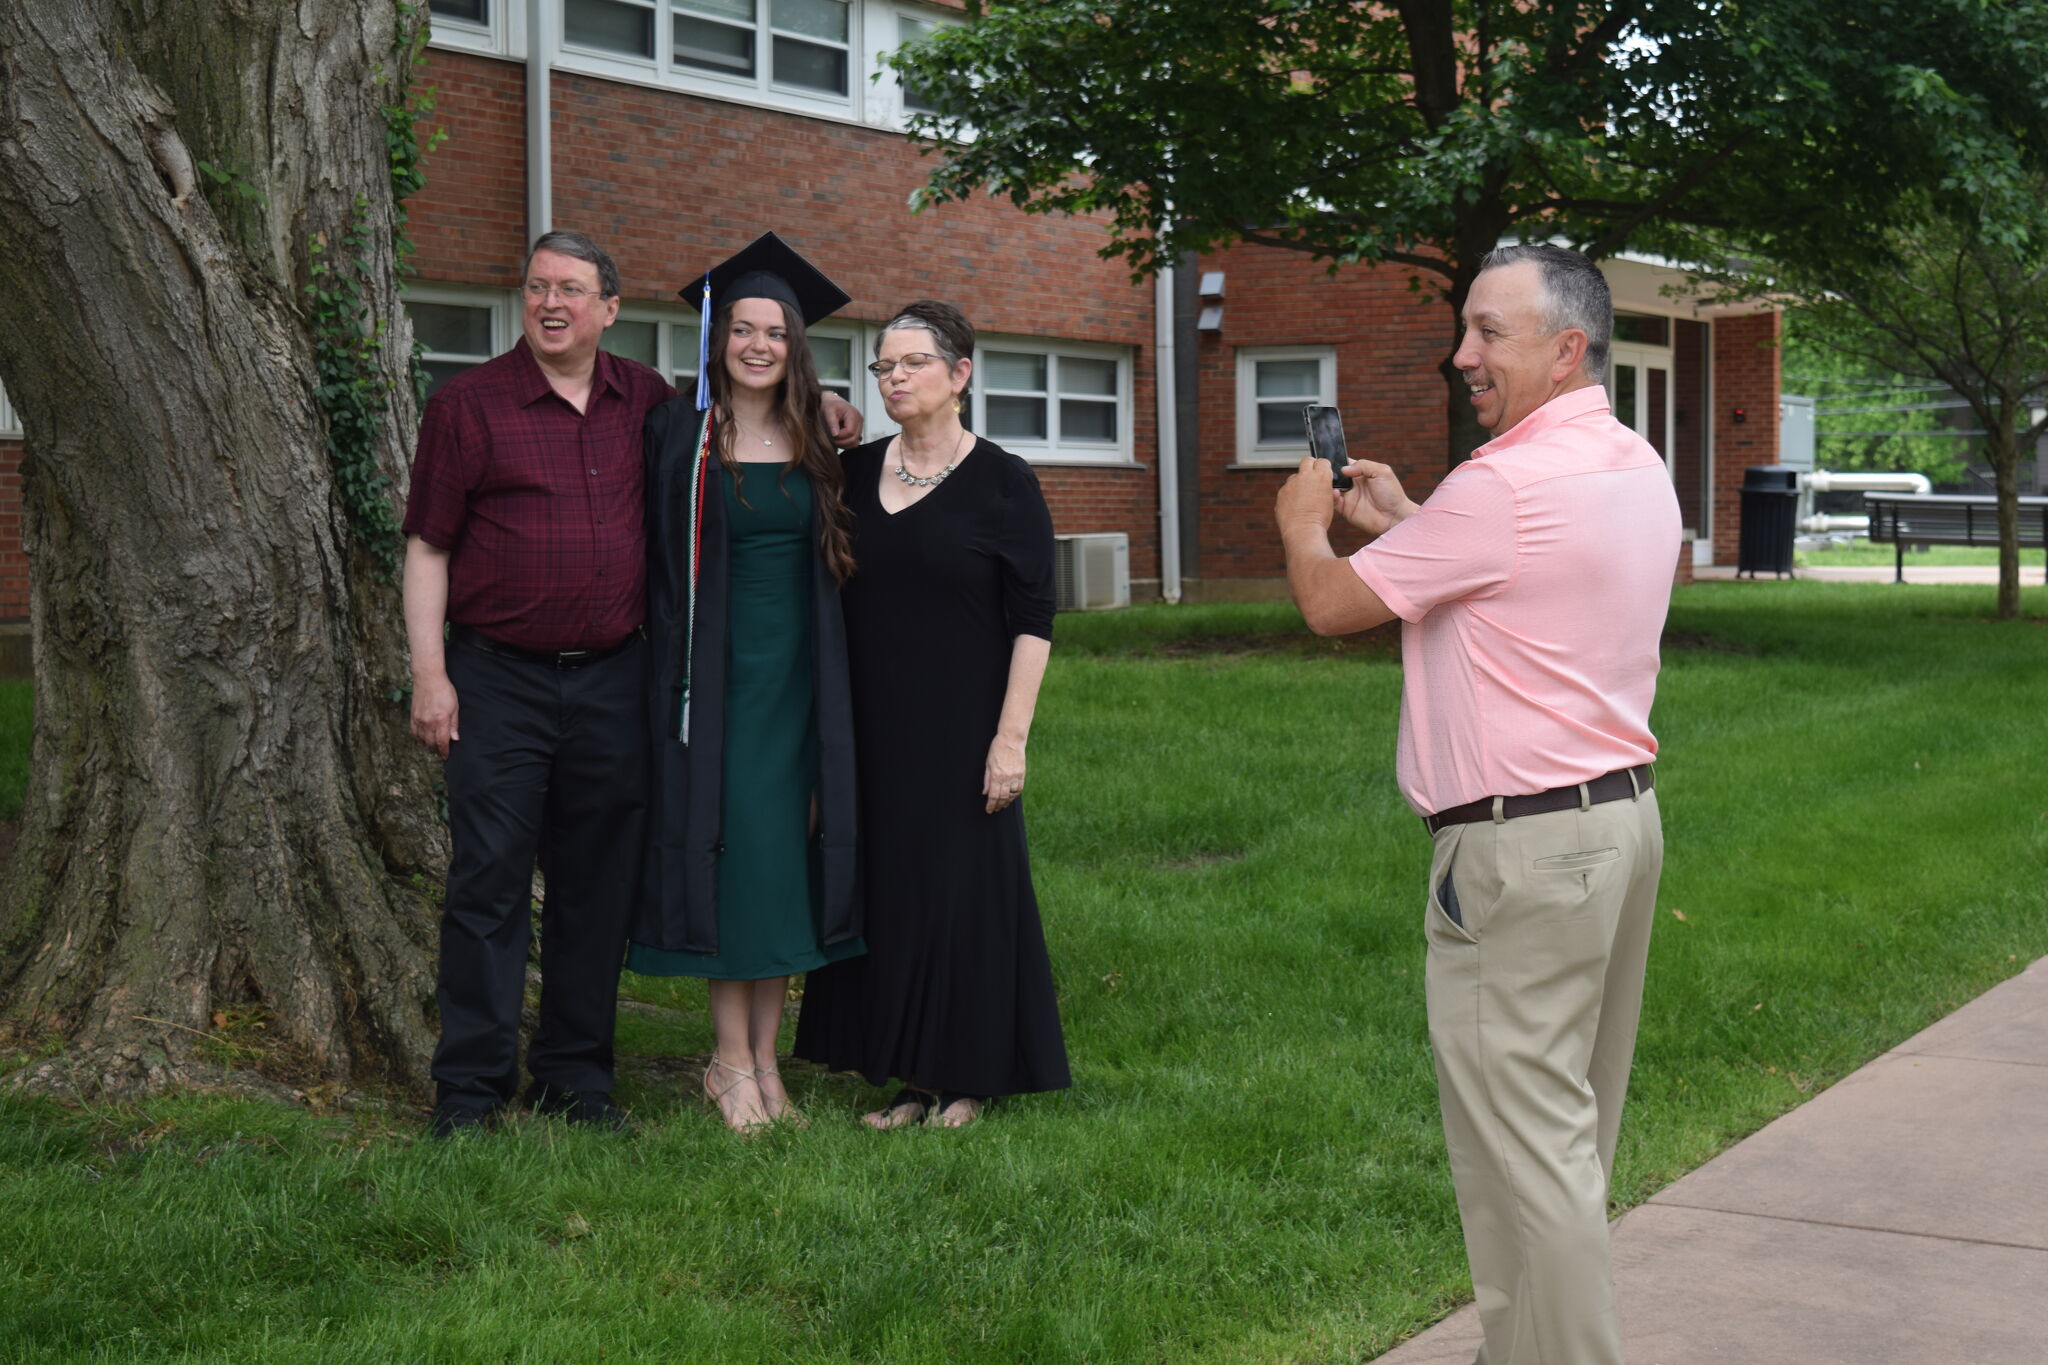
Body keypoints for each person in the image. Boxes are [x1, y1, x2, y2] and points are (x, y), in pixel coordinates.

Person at [1273, 244, 1678, 1364]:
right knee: (1561, 1140)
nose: (1461, 357)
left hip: (1521, 855)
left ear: (1564, 348)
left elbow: (1326, 607)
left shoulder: (1500, 484)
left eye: (1486, 334)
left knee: (1524, 1156)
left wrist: (1304, 520)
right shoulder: (1633, 464)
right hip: (1616, 829)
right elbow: (1511, 585)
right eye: (1462, 330)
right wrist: (1407, 513)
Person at [403, 230, 860, 1139]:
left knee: (595, 887)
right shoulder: (468, 405)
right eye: (538, 287)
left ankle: (576, 1079)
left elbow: (752, 409)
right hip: (496, 679)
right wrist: (430, 673)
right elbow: (427, 544)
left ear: (611, 309)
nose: (553, 304)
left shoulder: (647, 404)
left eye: (573, 289)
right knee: (488, 884)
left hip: (615, 680)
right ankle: (471, 1092)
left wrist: (830, 400)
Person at [793, 299, 1070, 1129]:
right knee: (893, 896)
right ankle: (912, 1076)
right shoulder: (851, 472)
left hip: (963, 731)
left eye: (914, 362)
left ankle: (969, 1076)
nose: (895, 378)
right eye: (884, 365)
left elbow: (1034, 620)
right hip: (870, 727)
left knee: (963, 900)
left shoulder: (1004, 482)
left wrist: (1010, 739)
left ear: (960, 374)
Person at [630, 234, 864, 1135]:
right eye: (742, 329)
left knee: (783, 865)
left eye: (775, 331)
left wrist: (838, 401)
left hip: (805, 679)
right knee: (735, 859)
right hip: (714, 679)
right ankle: (726, 1058)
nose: (759, 344)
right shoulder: (677, 434)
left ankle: (767, 1060)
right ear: (715, 339)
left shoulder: (818, 434)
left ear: (796, 344)